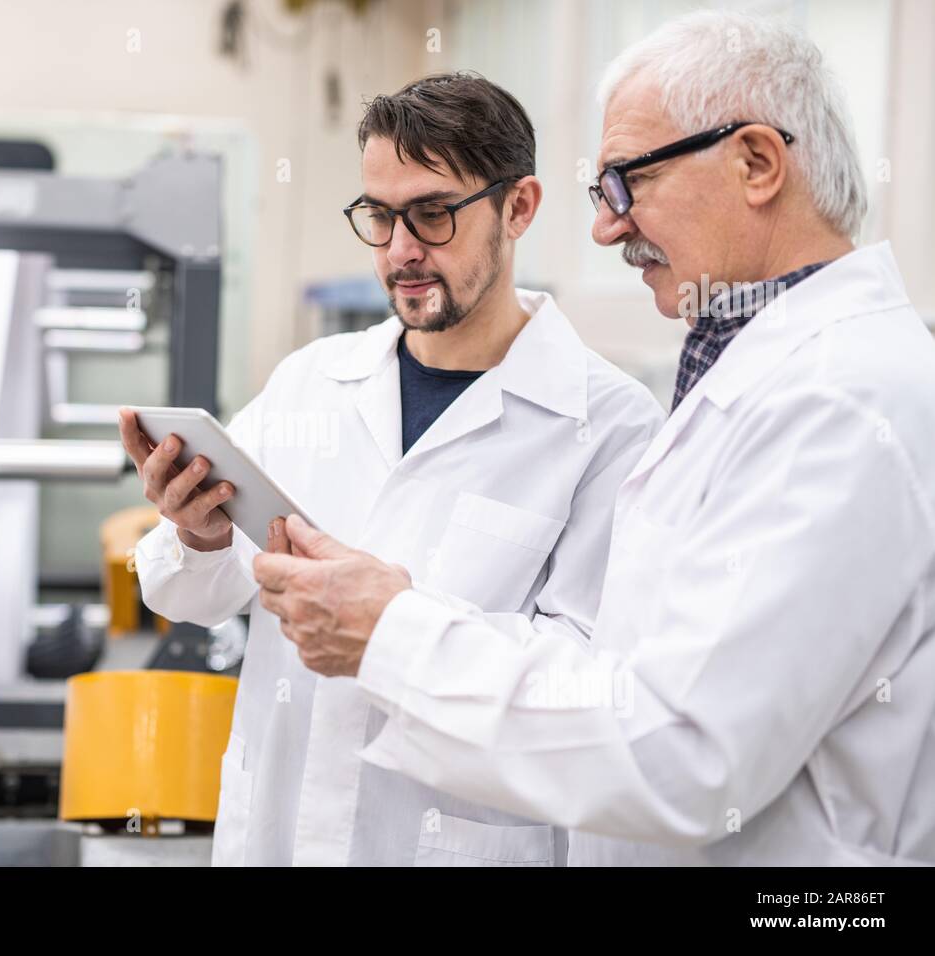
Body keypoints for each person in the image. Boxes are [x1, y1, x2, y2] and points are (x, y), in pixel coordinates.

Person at [252, 10, 935, 865]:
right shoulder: (758, 375)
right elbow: (633, 683)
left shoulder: (840, 401)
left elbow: (683, 751)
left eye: (625, 184)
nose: (607, 229)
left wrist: (393, 634)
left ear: (756, 163)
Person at [119, 72, 663, 866]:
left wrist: (397, 622)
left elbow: (591, 693)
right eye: (380, 215)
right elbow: (197, 597)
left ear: (519, 207)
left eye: (434, 214)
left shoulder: (609, 428)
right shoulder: (312, 382)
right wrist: (196, 536)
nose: (402, 250)